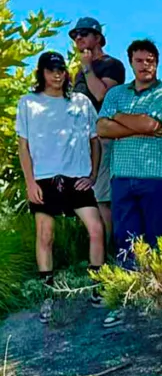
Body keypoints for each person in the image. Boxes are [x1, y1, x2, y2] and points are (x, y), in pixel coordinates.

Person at [14, 52, 109, 289]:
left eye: (60, 70)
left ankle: (96, 287)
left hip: (77, 178)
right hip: (44, 179)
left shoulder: (80, 101)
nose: (56, 75)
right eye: (50, 70)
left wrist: (93, 176)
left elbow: (94, 140)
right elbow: (23, 146)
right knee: (46, 235)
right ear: (42, 73)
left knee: (96, 229)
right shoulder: (28, 102)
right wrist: (30, 183)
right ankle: (48, 292)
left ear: (66, 73)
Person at [95, 37, 162, 266]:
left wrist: (117, 118)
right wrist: (137, 125)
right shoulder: (116, 94)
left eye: (150, 61)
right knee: (125, 239)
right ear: (131, 63)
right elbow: (101, 128)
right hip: (122, 176)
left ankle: (158, 292)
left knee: (158, 239)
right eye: (139, 60)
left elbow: (150, 125)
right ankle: (129, 293)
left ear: (157, 63)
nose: (145, 65)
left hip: (156, 176)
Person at [68, 19, 116, 220]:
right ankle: (90, 248)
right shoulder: (79, 71)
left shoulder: (111, 64)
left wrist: (87, 67)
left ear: (98, 38)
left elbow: (101, 96)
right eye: (75, 35)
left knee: (101, 199)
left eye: (84, 33)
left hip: (102, 138)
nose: (78, 37)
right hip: (80, 141)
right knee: (83, 199)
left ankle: (108, 250)